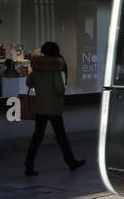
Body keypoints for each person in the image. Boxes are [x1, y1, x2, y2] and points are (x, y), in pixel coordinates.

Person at [24, 41, 85, 176]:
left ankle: (28, 165)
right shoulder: (55, 69)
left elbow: (28, 82)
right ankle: (71, 162)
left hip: (40, 107)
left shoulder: (37, 68)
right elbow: (59, 89)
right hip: (53, 109)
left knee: (37, 137)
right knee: (61, 137)